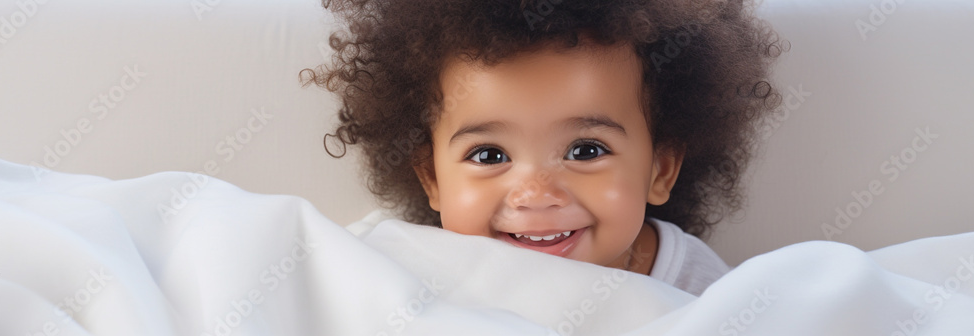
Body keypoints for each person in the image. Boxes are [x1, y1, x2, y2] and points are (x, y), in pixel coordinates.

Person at [303, 0, 785, 296]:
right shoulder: (407, 266)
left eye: (585, 151)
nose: (536, 193)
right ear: (432, 179)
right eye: (490, 156)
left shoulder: (698, 289)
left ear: (660, 168)